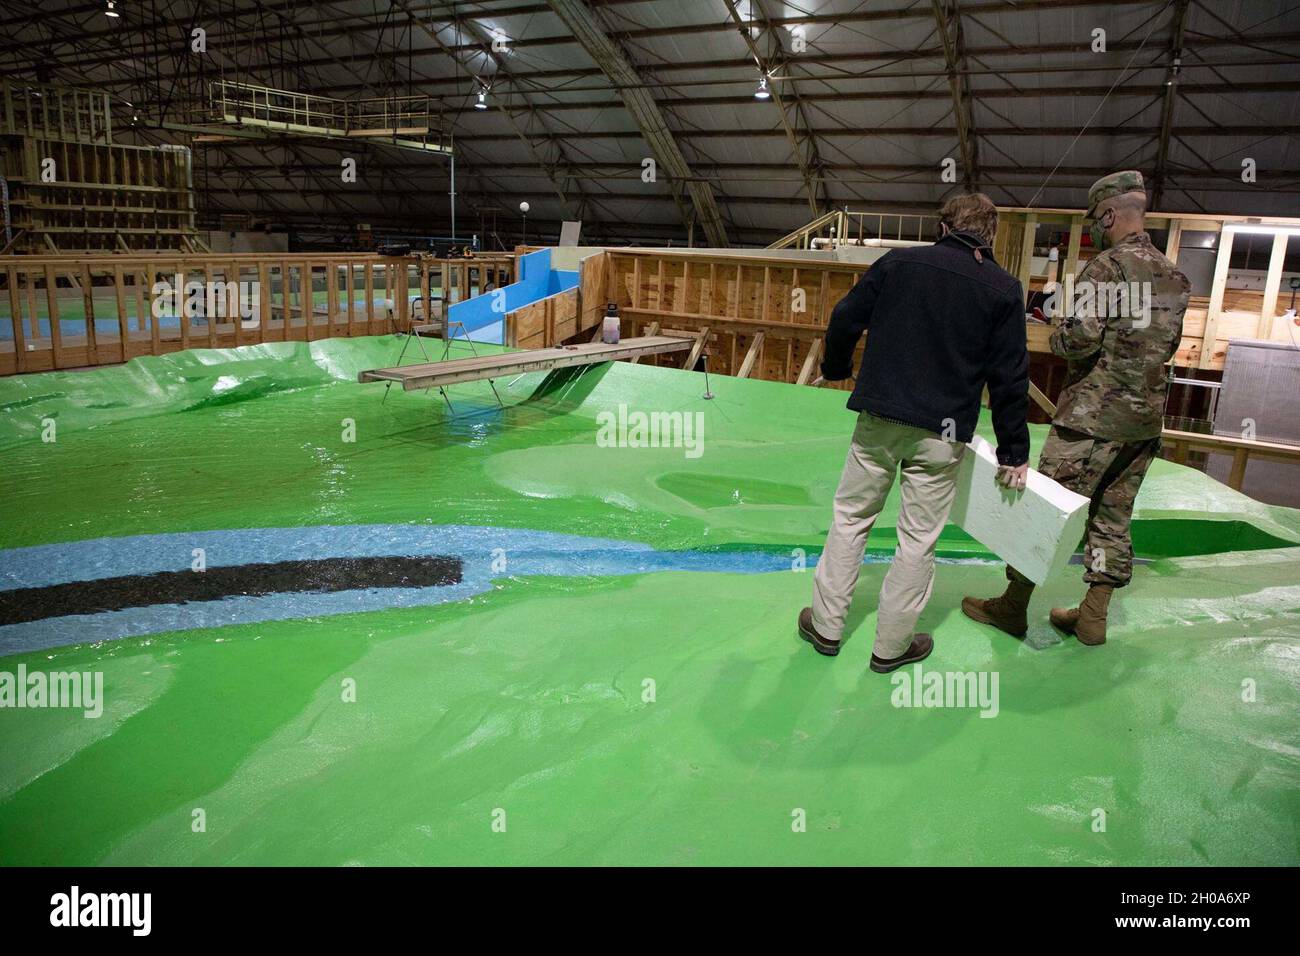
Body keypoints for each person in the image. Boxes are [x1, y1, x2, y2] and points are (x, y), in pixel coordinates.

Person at [798, 193, 1030, 673]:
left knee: (851, 519)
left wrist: (838, 366)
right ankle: (891, 648)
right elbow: (1010, 376)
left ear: (943, 227)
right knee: (918, 539)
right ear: (991, 235)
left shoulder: (900, 264)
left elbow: (844, 317)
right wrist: (1014, 452)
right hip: (942, 434)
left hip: (880, 417)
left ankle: (825, 627)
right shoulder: (1004, 289)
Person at [962, 171, 1190, 646]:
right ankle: (1092, 616)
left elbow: (1077, 340)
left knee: (1042, 511)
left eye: (1096, 222)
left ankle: (1013, 606)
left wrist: (1056, 328)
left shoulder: (1106, 268)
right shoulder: (1175, 277)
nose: (1096, 231)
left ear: (1109, 214)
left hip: (1090, 421)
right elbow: (1166, 346)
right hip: (1143, 422)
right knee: (1112, 517)